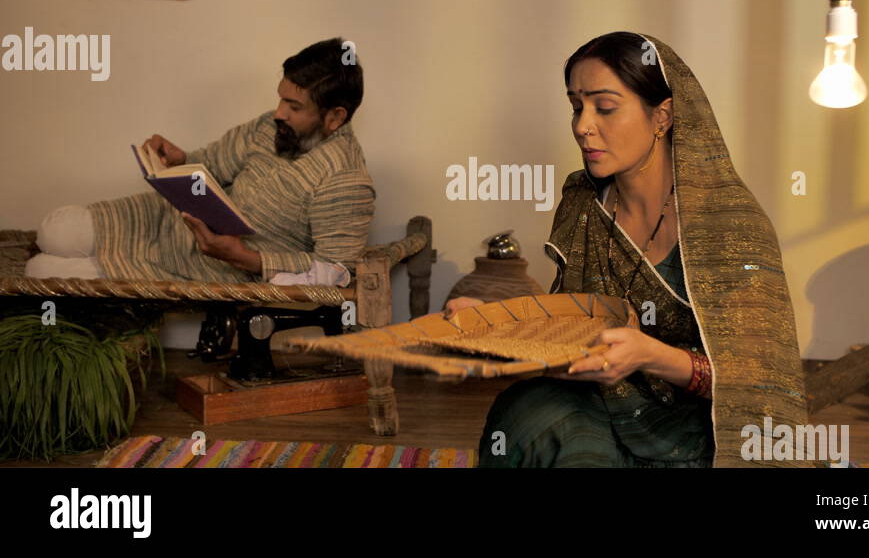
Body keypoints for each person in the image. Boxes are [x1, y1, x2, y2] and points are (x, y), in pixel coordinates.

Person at [445, 32, 810, 468]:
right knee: (529, 415)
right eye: (576, 106)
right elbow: (573, 321)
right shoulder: (584, 200)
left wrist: (652, 356)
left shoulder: (727, 226)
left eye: (605, 107)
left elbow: (757, 385)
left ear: (662, 116)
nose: (583, 125)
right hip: (602, 402)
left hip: (702, 434)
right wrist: (491, 319)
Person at [25, 38, 375, 285]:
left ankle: (109, 264)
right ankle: (102, 254)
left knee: (39, 271)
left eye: (294, 107)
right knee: (53, 231)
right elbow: (212, 164)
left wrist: (245, 258)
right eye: (281, 99)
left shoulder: (345, 181)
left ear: (335, 117)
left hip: (211, 266)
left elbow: (336, 269)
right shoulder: (271, 126)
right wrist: (181, 160)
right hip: (166, 220)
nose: (278, 113)